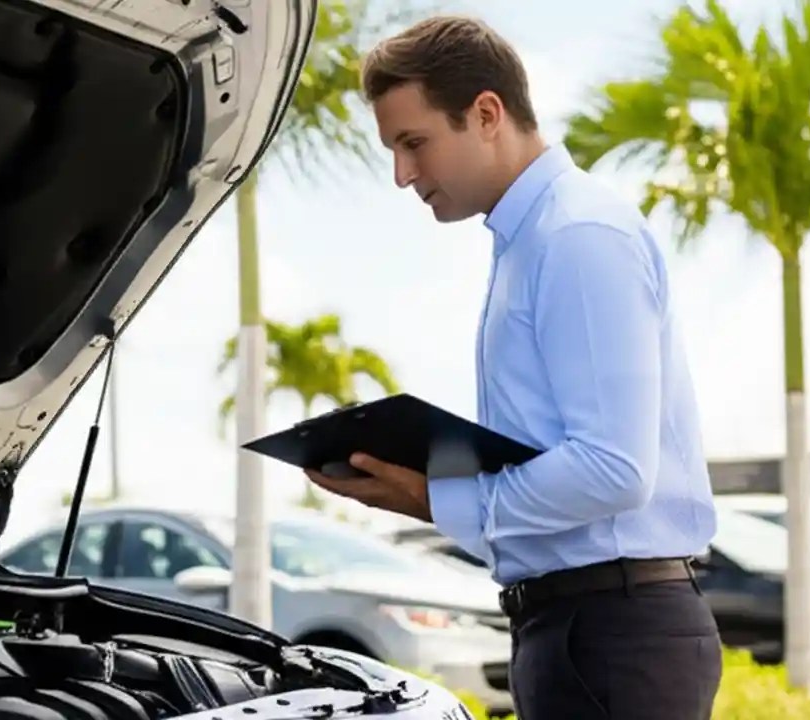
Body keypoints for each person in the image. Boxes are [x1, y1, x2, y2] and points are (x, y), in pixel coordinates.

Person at [303, 15, 724, 720]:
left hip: (612, 635)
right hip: (580, 628)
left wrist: (436, 499)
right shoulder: (528, 242)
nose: (403, 175)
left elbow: (614, 468)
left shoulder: (577, 236)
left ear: (487, 113)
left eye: (414, 143)